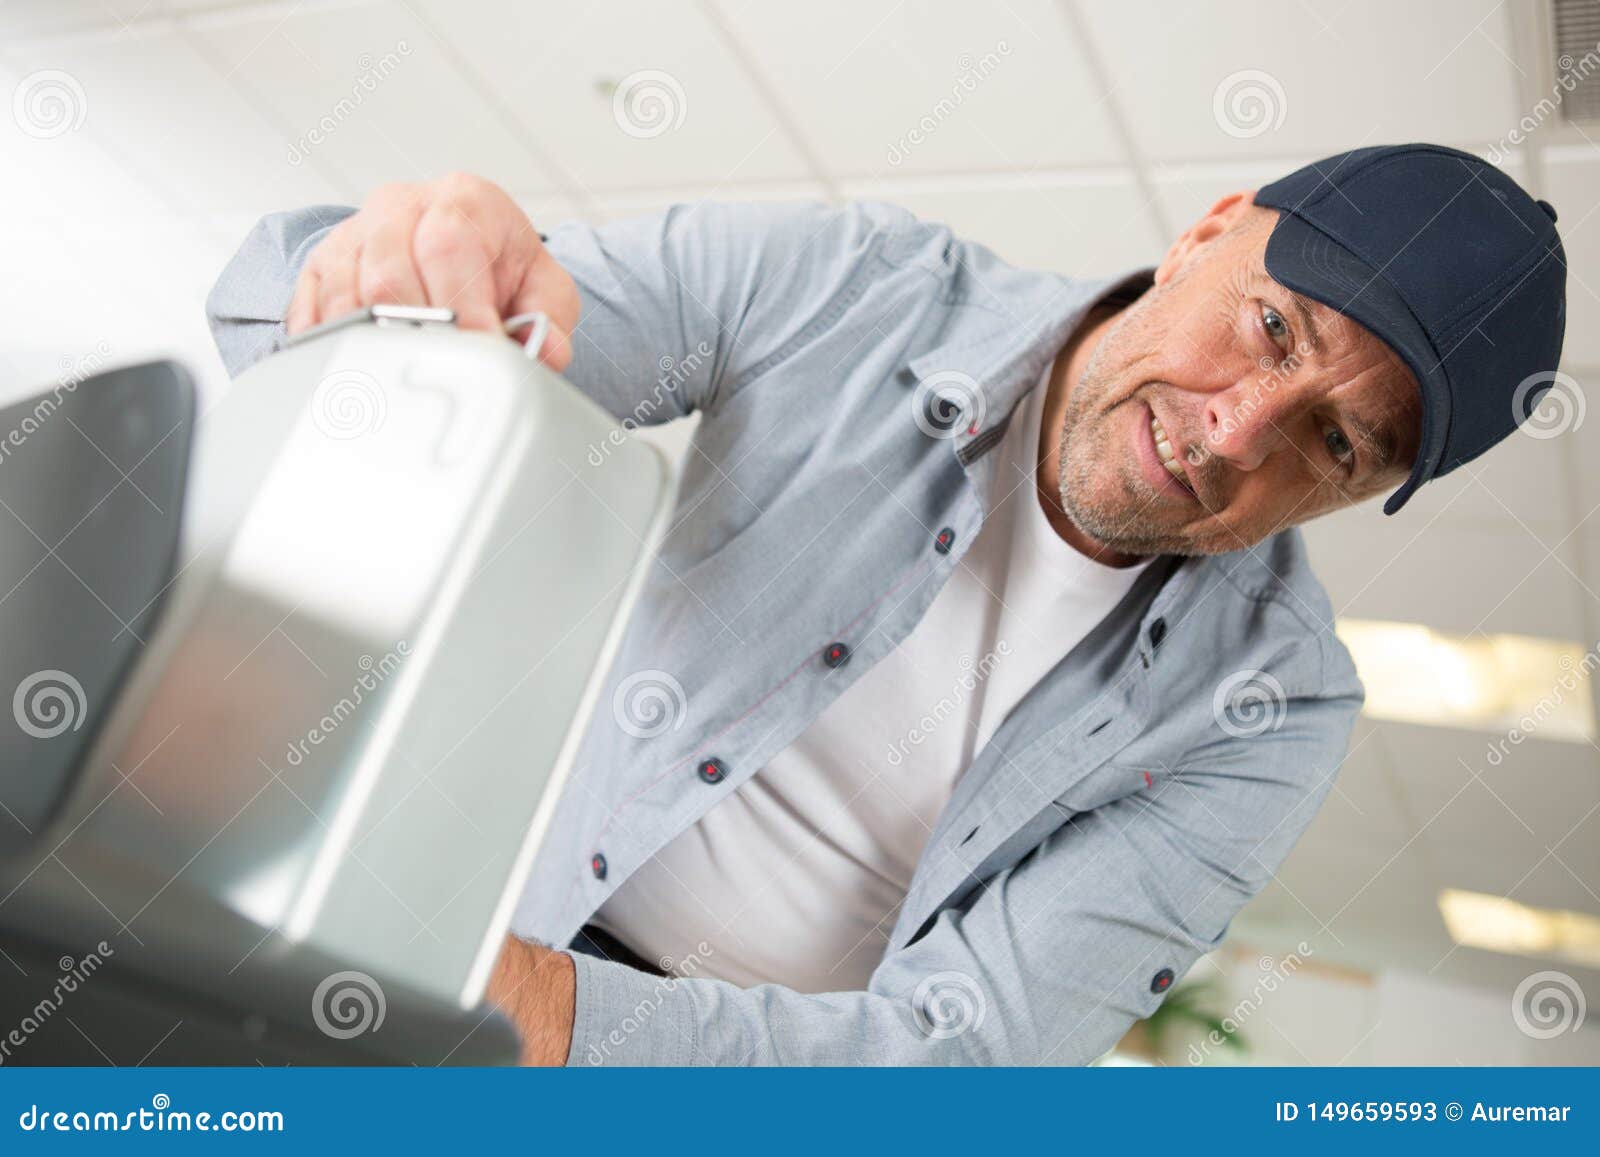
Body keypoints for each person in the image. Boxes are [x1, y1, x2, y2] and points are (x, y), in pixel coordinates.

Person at [207, 143, 1568, 1065]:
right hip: (449, 906)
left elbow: (958, 1059)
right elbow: (362, 351)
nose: (1236, 431)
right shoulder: (854, 289)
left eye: (1335, 444)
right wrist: (393, 287)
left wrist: (534, 1009)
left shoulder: (1276, 705)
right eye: (1276, 329)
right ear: (1209, 231)